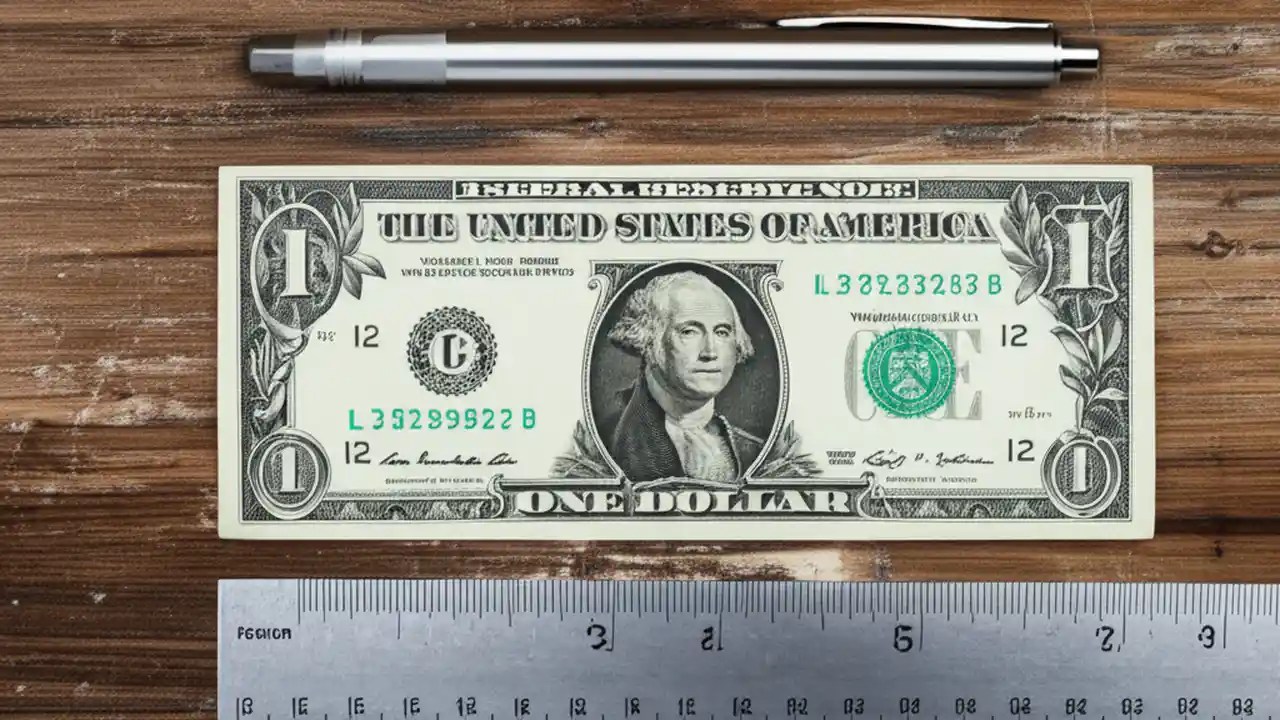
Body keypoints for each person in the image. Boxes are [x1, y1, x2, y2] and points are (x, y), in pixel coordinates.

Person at [597, 270, 764, 485]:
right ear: (649, 340)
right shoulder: (604, 446)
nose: (710, 352)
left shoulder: (755, 450)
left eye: (722, 332)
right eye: (689, 331)